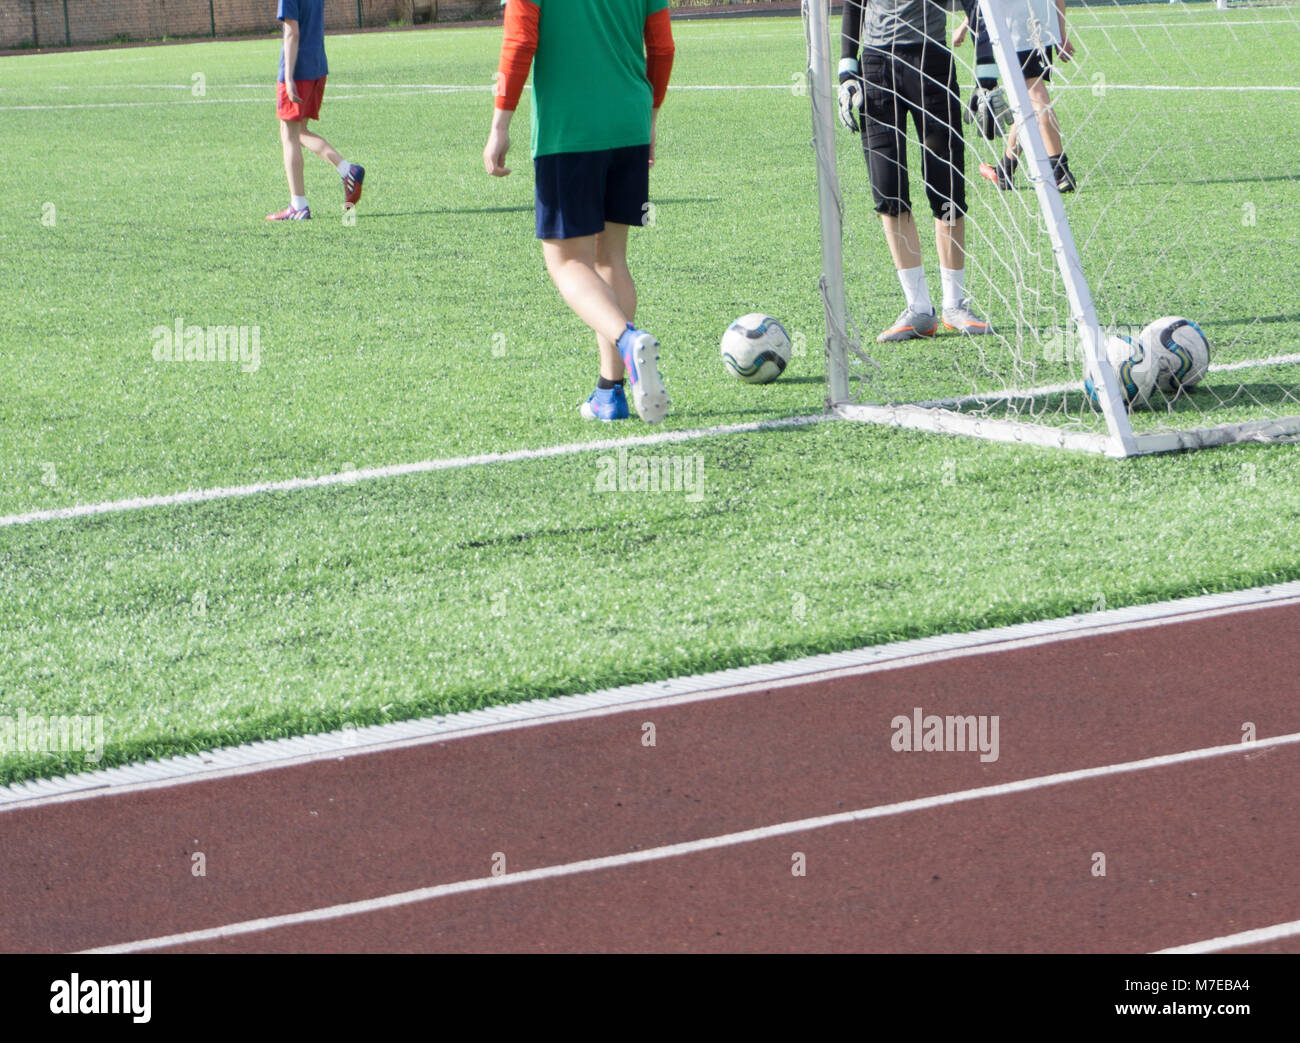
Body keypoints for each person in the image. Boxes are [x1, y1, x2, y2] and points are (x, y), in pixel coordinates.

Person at [483, 0, 675, 424]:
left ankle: (628, 340)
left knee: (567, 261)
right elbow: (661, 47)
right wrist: (651, 116)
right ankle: (610, 393)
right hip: (628, 122)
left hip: (569, 131)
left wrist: (499, 127)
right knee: (612, 259)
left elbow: (519, 42)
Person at [838, 0, 991, 343]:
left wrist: (986, 75)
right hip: (876, 67)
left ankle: (955, 304)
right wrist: (847, 73)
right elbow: (852, 6)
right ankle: (918, 308)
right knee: (888, 188)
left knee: (946, 185)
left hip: (931, 60)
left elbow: (977, 7)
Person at [953, 0, 1076, 192]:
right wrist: (1060, 32)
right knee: (1026, 99)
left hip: (1016, 28)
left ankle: (1059, 171)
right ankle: (1005, 170)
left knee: (1034, 91)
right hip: (1038, 24)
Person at [267, 0, 365, 221]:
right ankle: (346, 170)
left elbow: (292, 32)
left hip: (299, 70)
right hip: (317, 65)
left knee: (289, 134)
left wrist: (289, 77)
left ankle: (298, 205)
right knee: (300, 131)